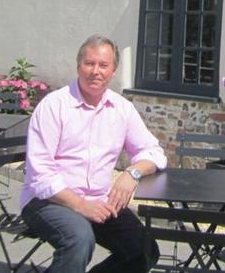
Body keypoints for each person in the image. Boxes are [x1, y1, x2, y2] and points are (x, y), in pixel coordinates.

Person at [20, 34, 167, 273]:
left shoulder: (121, 109)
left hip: (99, 200)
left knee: (144, 251)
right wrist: (79, 204)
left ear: (113, 70)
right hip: (48, 201)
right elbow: (41, 176)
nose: (95, 71)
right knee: (79, 240)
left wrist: (132, 173)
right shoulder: (54, 106)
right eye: (89, 63)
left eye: (103, 65)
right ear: (78, 66)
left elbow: (153, 152)